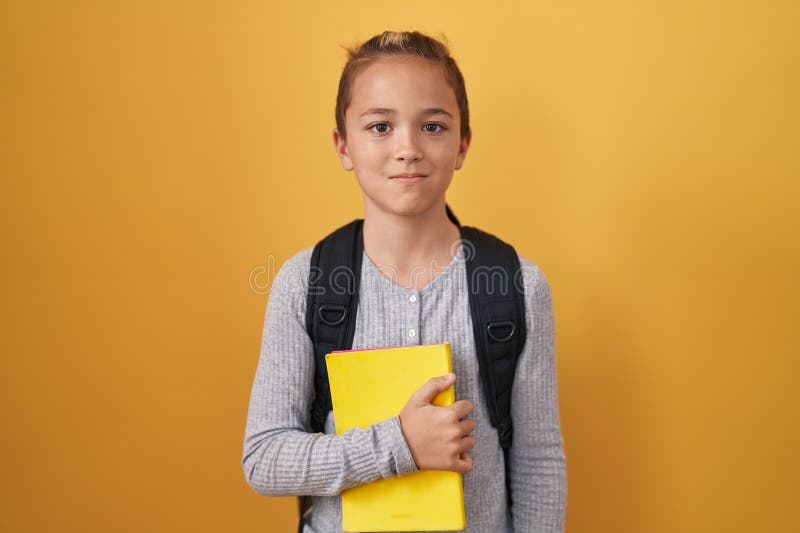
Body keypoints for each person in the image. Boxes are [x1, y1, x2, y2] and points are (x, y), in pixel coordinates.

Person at [242, 30, 566, 532]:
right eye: (379, 126)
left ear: (462, 145)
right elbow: (264, 458)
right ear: (342, 145)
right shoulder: (302, 283)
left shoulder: (518, 285)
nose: (408, 148)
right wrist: (400, 445)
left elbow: (539, 460)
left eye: (433, 126)